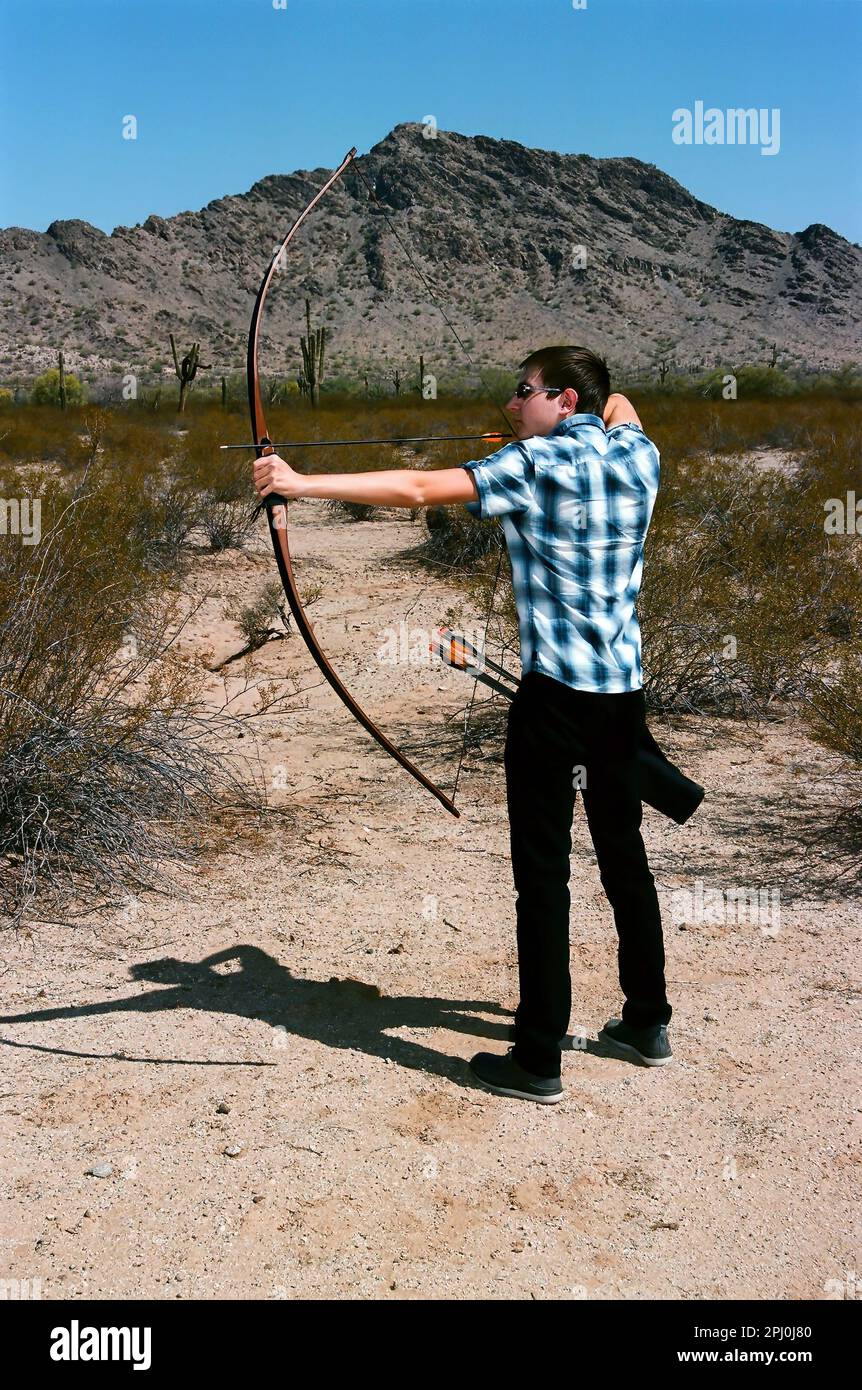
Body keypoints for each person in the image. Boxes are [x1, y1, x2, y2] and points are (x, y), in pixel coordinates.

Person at [253, 346, 674, 1106]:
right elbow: (624, 408)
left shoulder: (532, 467)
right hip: (622, 700)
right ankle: (647, 1022)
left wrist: (298, 482)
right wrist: (550, 427)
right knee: (624, 857)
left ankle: (538, 1059)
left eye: (527, 393)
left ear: (565, 399)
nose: (512, 406)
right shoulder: (640, 455)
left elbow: (417, 488)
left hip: (553, 704)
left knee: (542, 878)